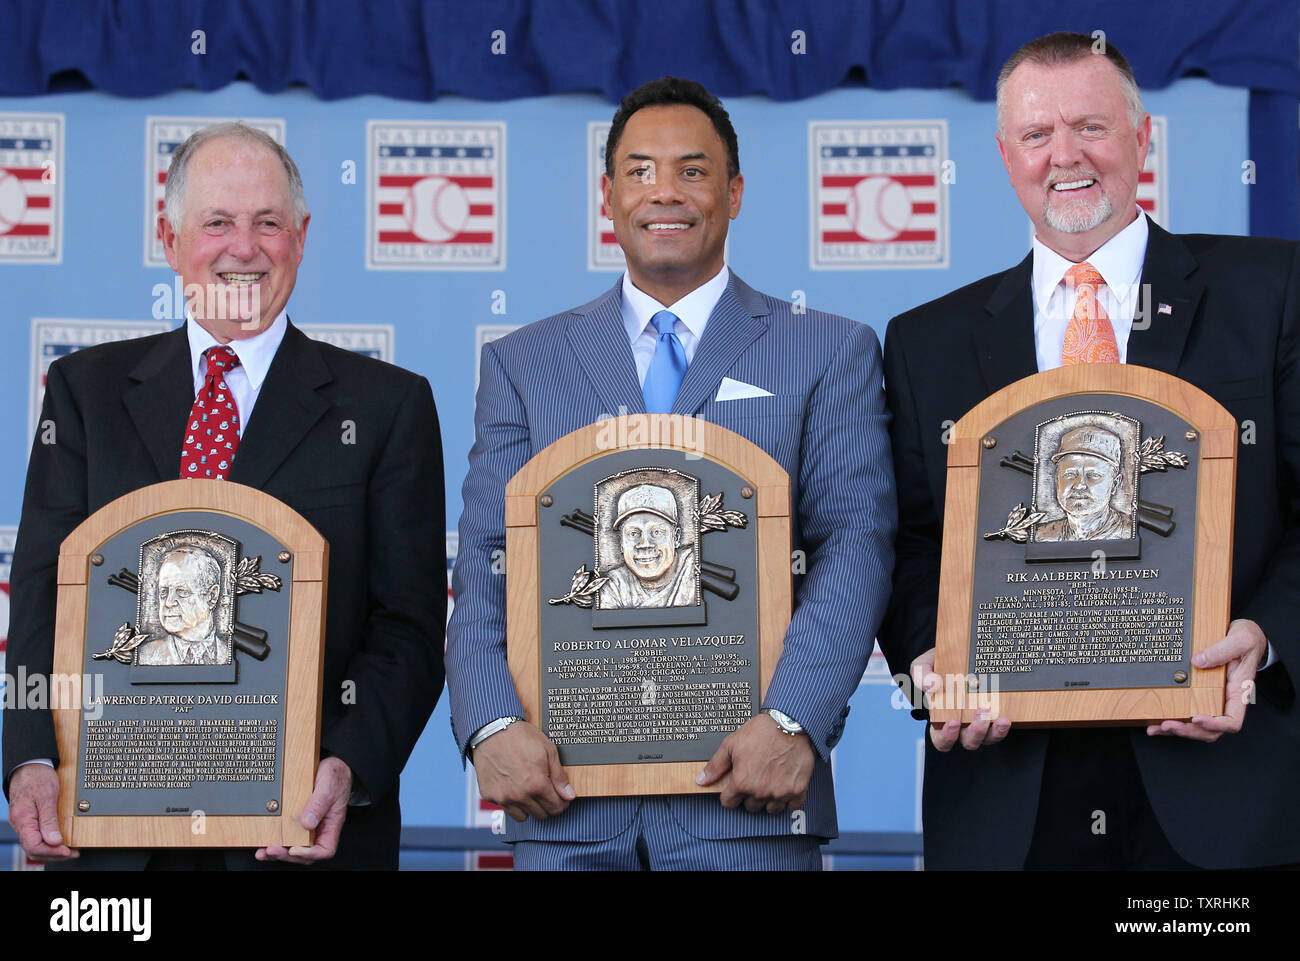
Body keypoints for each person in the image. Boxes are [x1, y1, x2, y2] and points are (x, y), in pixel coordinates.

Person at [446, 76, 895, 870]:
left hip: (748, 803)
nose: (667, 192)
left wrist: (793, 721)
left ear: (735, 192)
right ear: (608, 194)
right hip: (566, 809)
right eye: (641, 170)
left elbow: (854, 545)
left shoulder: (829, 349)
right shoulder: (522, 363)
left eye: (693, 170)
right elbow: (485, 559)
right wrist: (488, 724)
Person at [880, 32, 1300, 869]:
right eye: (1037, 136)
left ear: (1143, 140)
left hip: (1225, 785)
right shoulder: (926, 340)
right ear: (1005, 157)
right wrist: (934, 660)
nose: (1064, 156)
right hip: (1011, 799)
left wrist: (1266, 636)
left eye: (1091, 128)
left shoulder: (1273, 290)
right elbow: (903, 539)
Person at [3, 123, 446, 870]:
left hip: (300, 834)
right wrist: (31, 758)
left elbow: (407, 625)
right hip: (112, 839)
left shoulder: (385, 406)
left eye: (267, 222)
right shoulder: (85, 392)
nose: (244, 247)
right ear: (169, 237)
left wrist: (345, 764)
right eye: (217, 222)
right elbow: (42, 598)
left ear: (300, 238)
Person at [598, 484, 697, 609]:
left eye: (656, 532)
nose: (645, 544)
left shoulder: (693, 571)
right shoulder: (613, 585)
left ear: (676, 537)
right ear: (621, 542)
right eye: (633, 533)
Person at [1034, 425, 1132, 542]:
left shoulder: (1130, 531)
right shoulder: (1042, 535)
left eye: (1093, 475)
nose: (1079, 485)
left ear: (1115, 485)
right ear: (1057, 480)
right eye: (1070, 474)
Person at [138, 546, 232, 665]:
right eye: (164, 591)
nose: (168, 602)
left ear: (211, 596)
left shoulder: (229, 654)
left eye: (182, 592)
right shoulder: (146, 656)